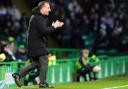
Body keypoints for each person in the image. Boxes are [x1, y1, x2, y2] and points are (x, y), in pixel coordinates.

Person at [12, 1, 64, 88]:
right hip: (37, 44)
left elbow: (43, 31)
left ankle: (18, 74)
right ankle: (42, 83)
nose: (50, 10)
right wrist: (54, 27)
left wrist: (54, 27)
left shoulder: (38, 17)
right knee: (44, 61)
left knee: (36, 64)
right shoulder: (38, 18)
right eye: (48, 8)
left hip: (34, 44)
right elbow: (44, 31)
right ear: (42, 8)